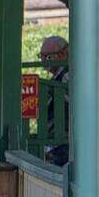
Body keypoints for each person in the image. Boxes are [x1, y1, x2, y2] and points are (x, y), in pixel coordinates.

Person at [39, 35, 70, 165]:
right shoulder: (60, 76)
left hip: (64, 145)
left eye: (48, 57)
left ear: (64, 55)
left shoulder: (67, 76)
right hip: (59, 145)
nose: (43, 61)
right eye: (41, 56)